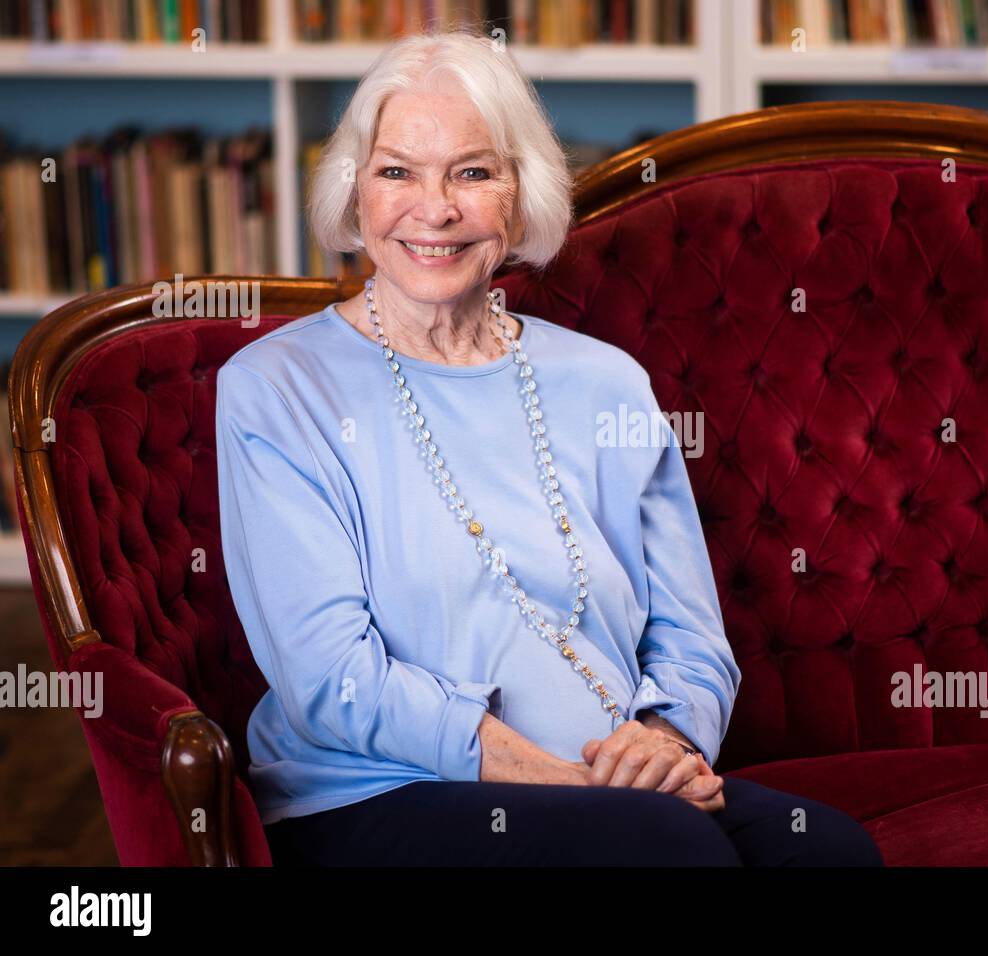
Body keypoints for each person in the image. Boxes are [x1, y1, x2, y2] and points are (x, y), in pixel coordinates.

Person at [215, 26, 884, 867]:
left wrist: (667, 740)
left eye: (473, 171)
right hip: (380, 792)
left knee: (829, 854)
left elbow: (692, 637)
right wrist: (569, 786)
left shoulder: (603, 381)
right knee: (669, 850)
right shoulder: (277, 387)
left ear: (521, 193)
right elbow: (332, 683)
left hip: (614, 784)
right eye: (397, 172)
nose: (437, 208)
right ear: (354, 198)